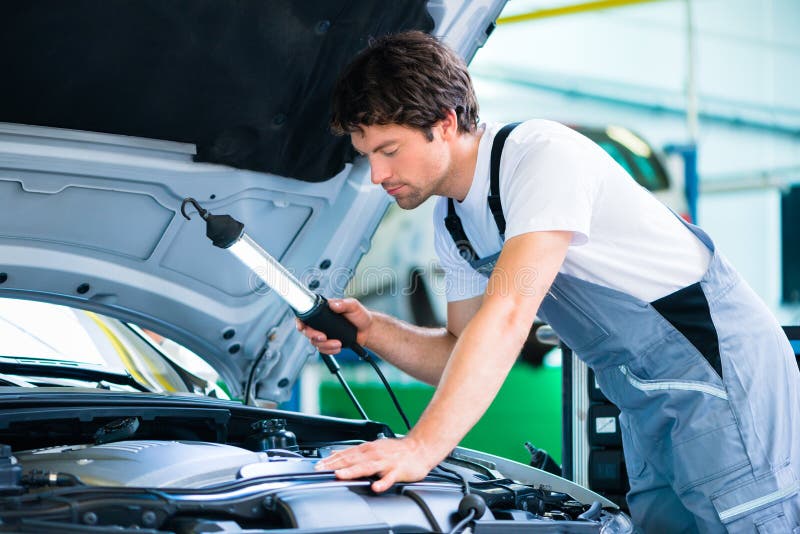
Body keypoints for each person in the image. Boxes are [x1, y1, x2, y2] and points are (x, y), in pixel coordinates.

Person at [296, 31, 800, 532]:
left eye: (388, 150)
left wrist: (422, 446)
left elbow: (510, 313)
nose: (377, 174)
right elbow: (459, 350)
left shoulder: (538, 158)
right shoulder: (453, 221)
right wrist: (370, 331)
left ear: (444, 123)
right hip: (645, 400)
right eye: (368, 156)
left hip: (721, 378)